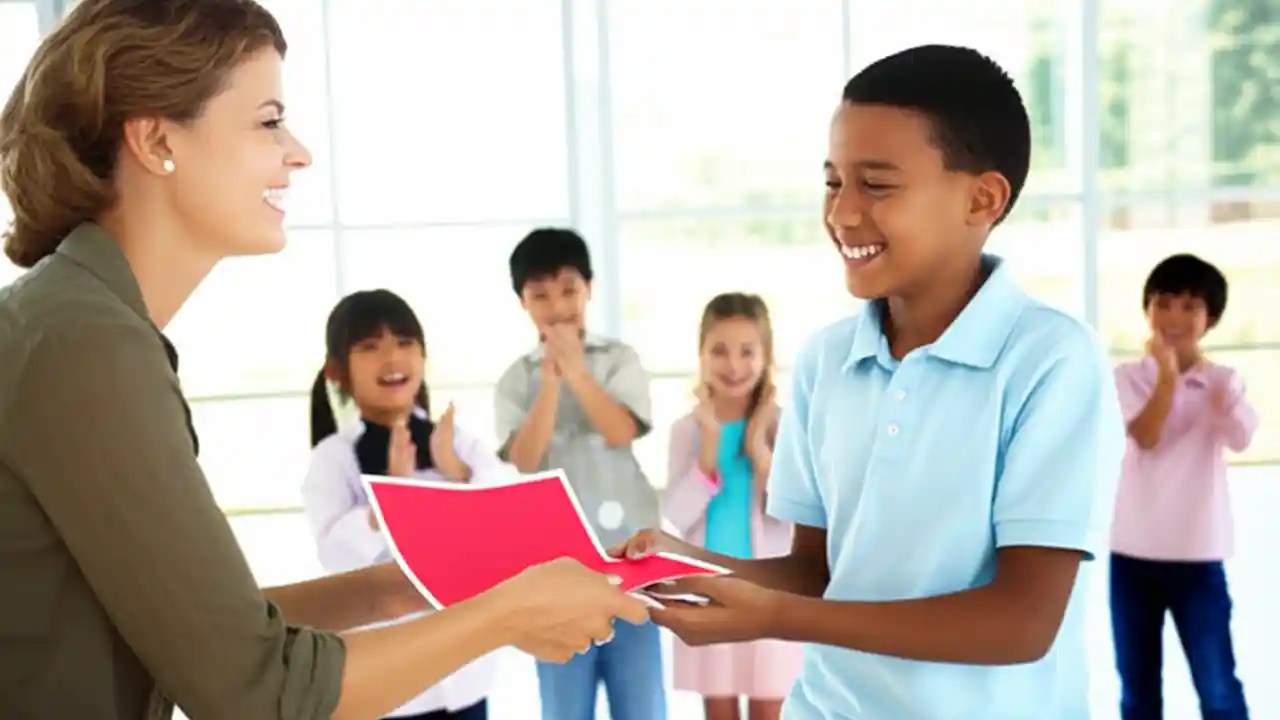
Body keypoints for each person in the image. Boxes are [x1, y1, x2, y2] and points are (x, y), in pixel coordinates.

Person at [0, 2, 647, 718]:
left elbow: (198, 633)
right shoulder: (87, 345)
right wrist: (505, 614)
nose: (298, 152)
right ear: (156, 141)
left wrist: (395, 589)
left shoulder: (73, 323)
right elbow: (257, 690)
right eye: (269, 119)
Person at [613, 44, 1125, 719]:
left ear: (983, 198)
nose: (843, 213)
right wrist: (684, 561)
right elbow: (820, 573)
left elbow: (1022, 622)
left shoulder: (1054, 363)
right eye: (833, 181)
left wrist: (777, 618)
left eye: (876, 185)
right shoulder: (828, 361)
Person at [304, 289, 512, 720]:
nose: (392, 357)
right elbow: (333, 555)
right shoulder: (334, 457)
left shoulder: (453, 442)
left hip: (464, 670)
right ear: (337, 371)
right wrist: (389, 502)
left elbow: (505, 506)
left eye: (404, 342)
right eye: (369, 347)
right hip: (392, 685)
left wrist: (455, 468)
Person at [495, 227, 666, 720]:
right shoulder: (515, 379)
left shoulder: (619, 360)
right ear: (522, 302)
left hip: (629, 558)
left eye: (569, 289)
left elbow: (620, 432)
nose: (557, 306)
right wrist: (550, 383)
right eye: (540, 295)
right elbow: (524, 459)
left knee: (642, 703)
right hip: (553, 563)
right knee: (565, 705)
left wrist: (577, 372)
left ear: (589, 288)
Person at [1110, 253, 1257, 720]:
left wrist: (1222, 398)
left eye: (1190, 307)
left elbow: (1241, 438)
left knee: (1217, 686)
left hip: (1198, 556)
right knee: (1138, 690)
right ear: (1148, 309)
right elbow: (1147, 436)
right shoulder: (1127, 377)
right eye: (1164, 303)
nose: (1174, 317)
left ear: (1210, 318)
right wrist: (1169, 377)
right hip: (1132, 554)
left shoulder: (1224, 381)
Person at [663, 293, 802, 720]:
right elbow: (678, 516)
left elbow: (792, 519)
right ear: (702, 355)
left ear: (766, 357)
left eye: (747, 351)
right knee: (719, 708)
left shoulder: (787, 425)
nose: (734, 365)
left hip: (769, 591)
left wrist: (761, 450)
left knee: (769, 708)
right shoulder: (687, 430)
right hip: (710, 591)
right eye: (719, 351)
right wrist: (708, 450)